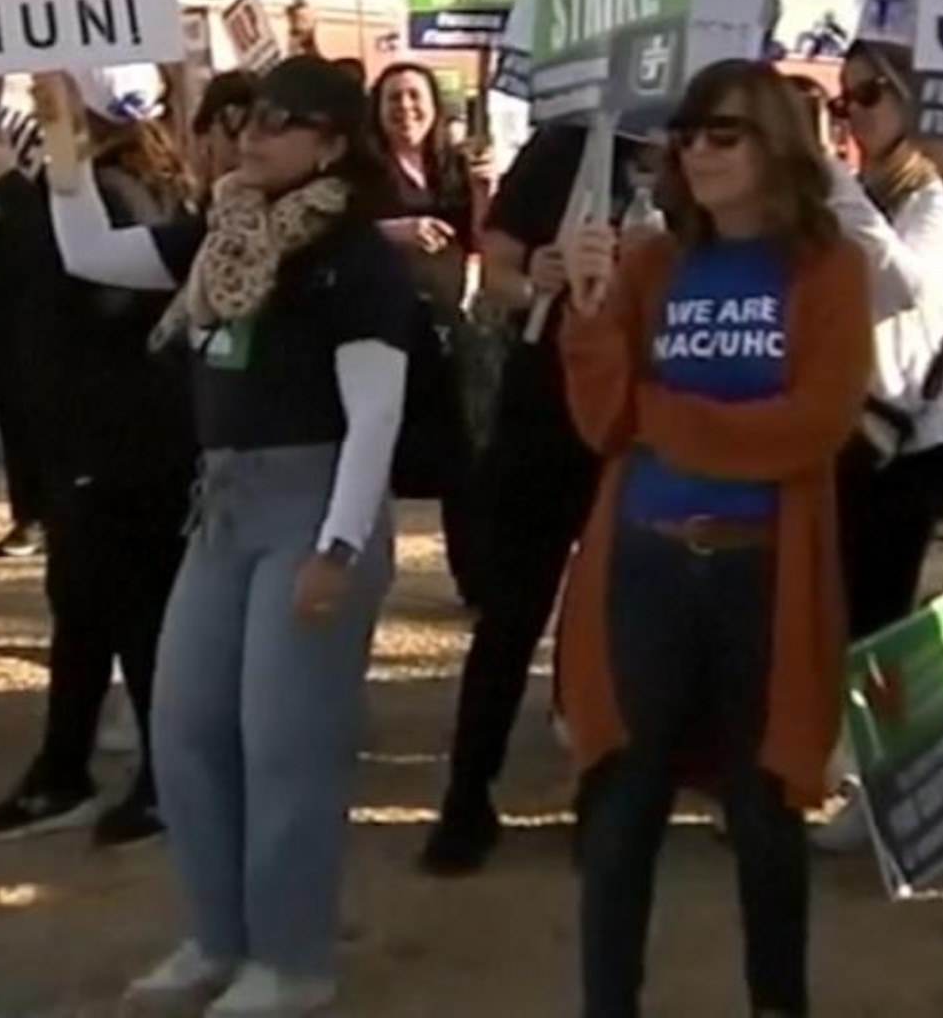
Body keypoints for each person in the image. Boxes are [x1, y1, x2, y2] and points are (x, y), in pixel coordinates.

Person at [45, 56, 411, 1018]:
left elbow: (374, 415)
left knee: (288, 743)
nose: (251, 135)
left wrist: (337, 546)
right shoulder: (224, 233)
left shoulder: (356, 256)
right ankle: (218, 937)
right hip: (225, 507)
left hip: (313, 503)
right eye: (248, 117)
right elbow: (90, 252)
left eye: (280, 122)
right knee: (189, 726)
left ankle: (292, 959)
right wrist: (62, 154)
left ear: (333, 142)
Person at [552, 59, 873, 1018]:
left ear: (776, 142)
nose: (697, 150)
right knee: (621, 812)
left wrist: (666, 416)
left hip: (762, 573)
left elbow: (815, 422)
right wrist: (586, 310)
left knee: (763, 812)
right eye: (687, 134)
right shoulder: (649, 263)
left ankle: (777, 1003)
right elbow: (603, 421)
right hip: (644, 565)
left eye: (722, 133)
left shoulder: (828, 266)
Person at [419, 121, 657, 878]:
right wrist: (540, 286)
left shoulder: (702, 156)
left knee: (621, 622)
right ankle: (467, 796)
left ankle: (604, 793)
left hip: (640, 422)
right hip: (542, 418)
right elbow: (499, 271)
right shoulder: (565, 147)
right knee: (513, 614)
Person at [0, 72, 197, 849]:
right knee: (82, 616)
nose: (43, 103)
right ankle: (63, 767)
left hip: (125, 444)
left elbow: (103, 293)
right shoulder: (101, 183)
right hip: (83, 442)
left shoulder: (122, 190)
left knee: (135, 617)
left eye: (58, 93)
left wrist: (18, 198)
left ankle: (170, 779)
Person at [810, 42, 943, 854]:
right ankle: (879, 784)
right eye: (845, 100)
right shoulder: (872, 196)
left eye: (870, 94)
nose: (853, 112)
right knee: (860, 617)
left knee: (891, 625)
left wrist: (830, 179)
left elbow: (901, 288)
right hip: (853, 434)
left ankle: (914, 796)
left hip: (912, 442)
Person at [372, 62, 484, 603]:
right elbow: (332, 230)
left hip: (444, 328)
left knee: (461, 455)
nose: (405, 109)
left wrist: (486, 189)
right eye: (393, 98)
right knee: (379, 454)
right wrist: (394, 231)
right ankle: (369, 574)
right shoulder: (363, 172)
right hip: (384, 325)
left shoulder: (454, 167)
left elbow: (483, 240)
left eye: (415, 97)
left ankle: (474, 577)